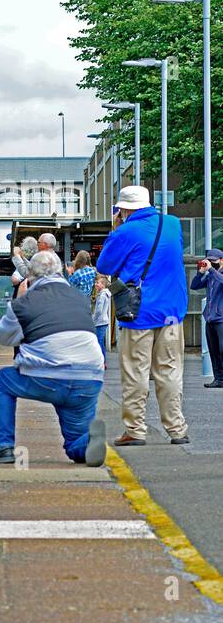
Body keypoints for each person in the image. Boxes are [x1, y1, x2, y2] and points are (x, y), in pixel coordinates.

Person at [0, 250, 107, 467]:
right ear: (60, 273)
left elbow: (4, 337)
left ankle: (3, 446)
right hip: (89, 377)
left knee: (2, 380)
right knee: (74, 444)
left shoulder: (24, 303)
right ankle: (88, 441)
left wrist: (20, 304)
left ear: (30, 276)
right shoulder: (79, 299)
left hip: (48, 378)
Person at [95, 185, 190, 446]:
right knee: (169, 372)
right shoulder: (172, 224)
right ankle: (177, 429)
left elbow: (104, 265)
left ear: (123, 209)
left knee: (137, 373)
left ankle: (136, 431)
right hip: (172, 312)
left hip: (138, 313)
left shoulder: (125, 231)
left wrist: (116, 229)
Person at [192, 247, 223, 387]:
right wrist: (200, 273)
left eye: (213, 261)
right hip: (210, 319)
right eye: (209, 261)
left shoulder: (217, 274)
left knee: (222, 349)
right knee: (214, 350)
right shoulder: (211, 275)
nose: (211, 263)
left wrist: (211, 269)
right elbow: (194, 285)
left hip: (221, 319)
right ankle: (219, 379)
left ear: (221, 260)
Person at [92, 274, 111, 367]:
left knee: (98, 342)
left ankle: (101, 362)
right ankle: (103, 361)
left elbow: (99, 310)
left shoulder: (102, 295)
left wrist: (93, 319)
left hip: (100, 322)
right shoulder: (105, 294)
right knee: (100, 342)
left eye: (97, 283)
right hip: (103, 321)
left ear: (103, 285)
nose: (96, 284)